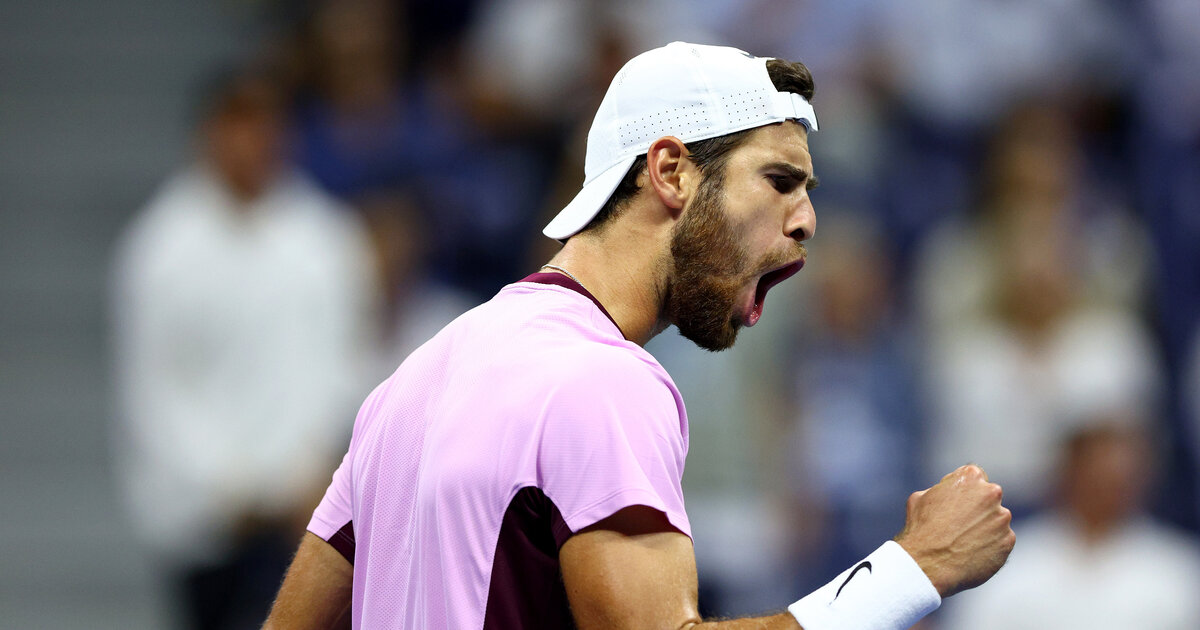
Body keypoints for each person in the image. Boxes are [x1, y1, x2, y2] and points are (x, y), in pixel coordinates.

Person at [264, 42, 1014, 630]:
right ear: (671, 172)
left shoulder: (412, 380)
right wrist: (917, 567)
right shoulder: (600, 380)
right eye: (781, 182)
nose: (807, 221)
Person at [111, 68, 379, 630]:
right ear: (208, 133)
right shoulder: (159, 251)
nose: (253, 139)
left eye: (265, 122)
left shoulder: (325, 242)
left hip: (301, 515)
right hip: (203, 526)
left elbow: (344, 369)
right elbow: (154, 391)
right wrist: (224, 489)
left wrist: (305, 475)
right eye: (238, 122)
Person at [939, 420, 1200, 630]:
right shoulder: (1004, 560)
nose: (1108, 488)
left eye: (1120, 477)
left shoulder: (1179, 569)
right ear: (1068, 473)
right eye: (1097, 475)